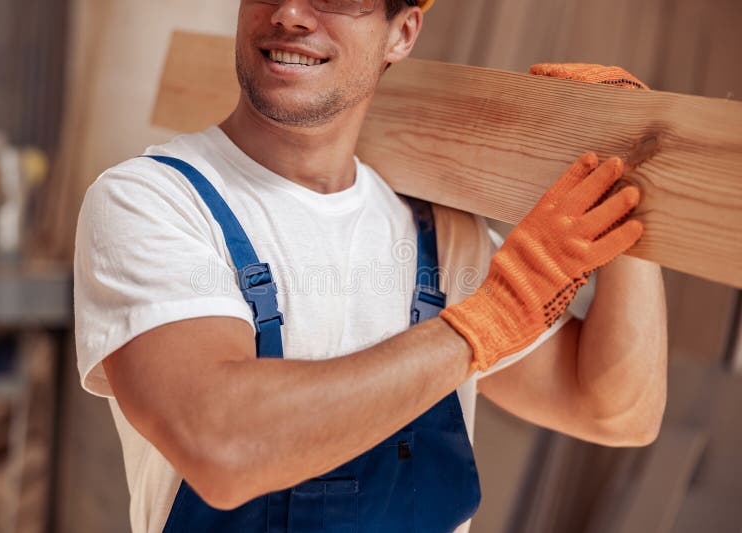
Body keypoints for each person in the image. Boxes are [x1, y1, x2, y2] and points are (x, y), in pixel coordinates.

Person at [73, 0, 668, 531]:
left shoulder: (440, 237)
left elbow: (616, 413)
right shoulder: (153, 202)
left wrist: (625, 180)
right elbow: (223, 448)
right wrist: (482, 325)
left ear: (402, 33)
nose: (289, 14)